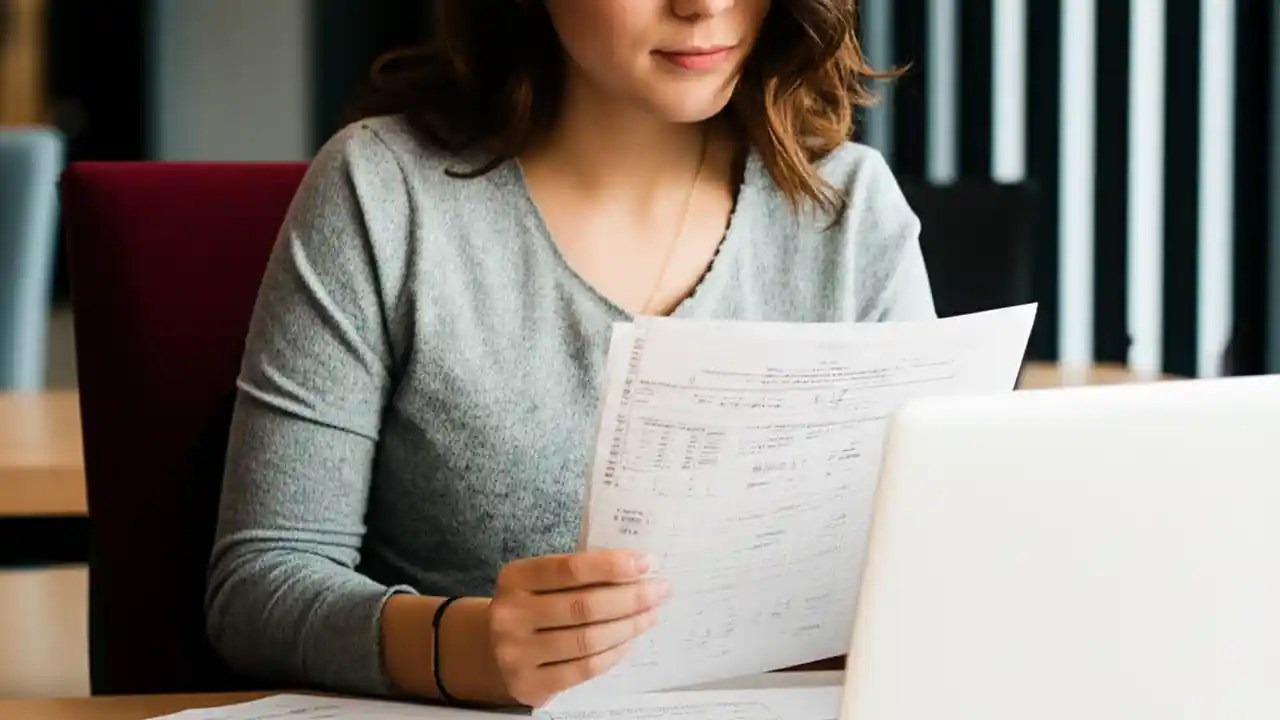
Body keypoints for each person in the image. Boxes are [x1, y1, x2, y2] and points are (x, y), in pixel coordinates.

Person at [205, 0, 935, 709]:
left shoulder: (849, 212)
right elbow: (260, 584)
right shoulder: (383, 192)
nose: (706, 6)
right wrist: (458, 646)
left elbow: (943, 557)